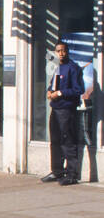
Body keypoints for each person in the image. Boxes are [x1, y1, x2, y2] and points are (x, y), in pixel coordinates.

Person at [43, 41, 84, 185]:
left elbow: (79, 90)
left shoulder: (74, 68)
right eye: (58, 51)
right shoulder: (58, 67)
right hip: (55, 108)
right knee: (55, 141)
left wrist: (59, 93)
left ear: (67, 51)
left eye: (63, 51)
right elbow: (53, 84)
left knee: (68, 141)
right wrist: (50, 90)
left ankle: (72, 174)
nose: (61, 54)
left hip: (66, 109)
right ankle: (57, 171)